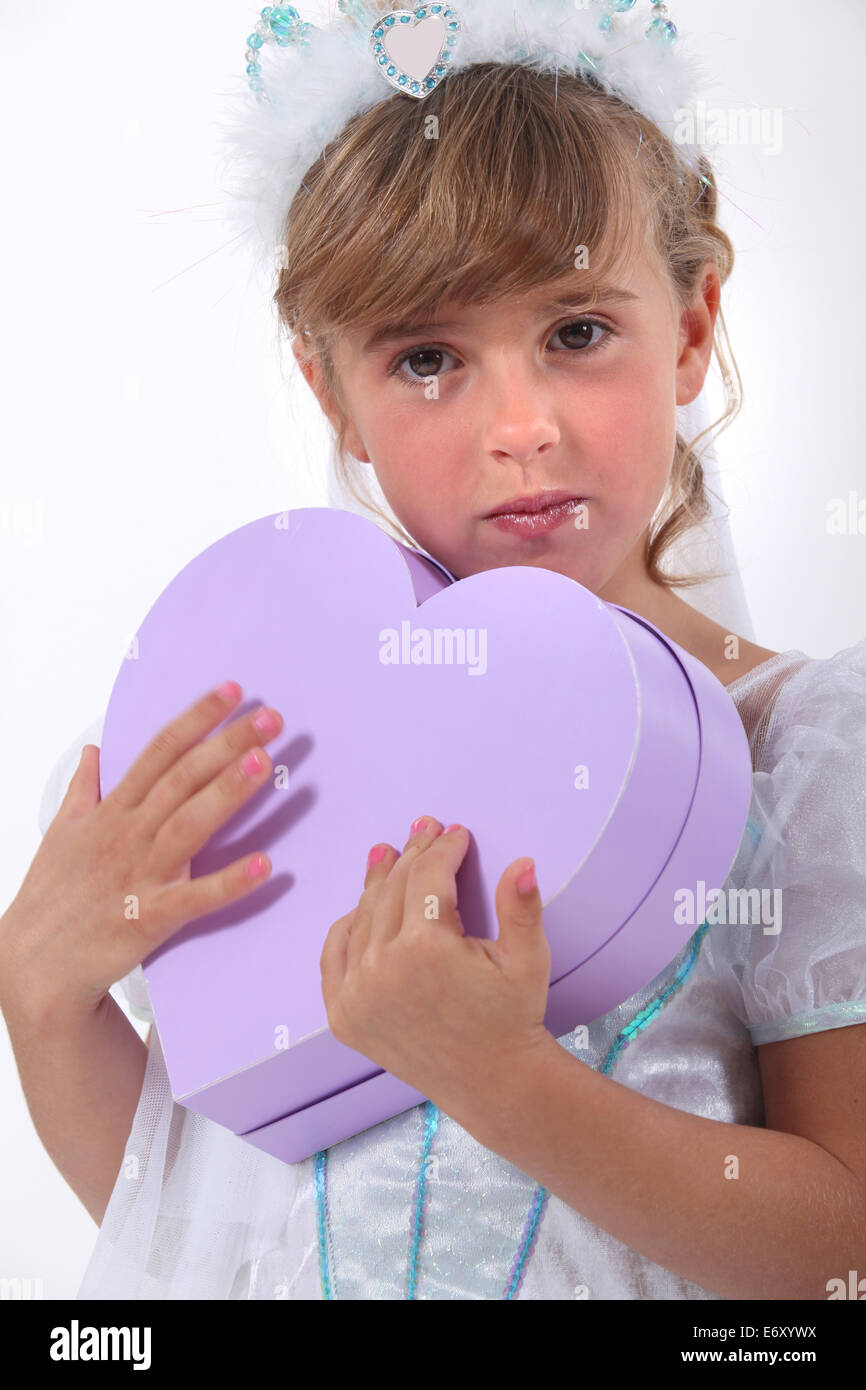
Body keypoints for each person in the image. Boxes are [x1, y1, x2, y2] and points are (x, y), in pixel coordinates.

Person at [3, 0, 865, 1300]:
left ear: (690, 326)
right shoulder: (271, 753)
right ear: (326, 388)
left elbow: (841, 1246)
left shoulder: (794, 749)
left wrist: (502, 1079)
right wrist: (42, 995)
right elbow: (210, 1218)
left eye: (575, 332)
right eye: (425, 357)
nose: (516, 426)